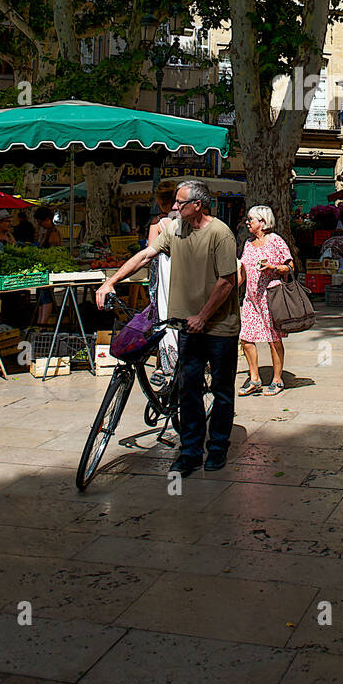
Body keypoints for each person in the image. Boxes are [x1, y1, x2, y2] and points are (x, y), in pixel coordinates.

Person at [96, 180, 240, 477]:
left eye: (180, 202)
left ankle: (217, 448)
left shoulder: (220, 234)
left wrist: (202, 315)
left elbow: (227, 281)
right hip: (187, 325)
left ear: (197, 205)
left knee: (222, 390)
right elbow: (146, 255)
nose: (175, 207)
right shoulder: (174, 230)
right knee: (188, 389)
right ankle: (189, 451)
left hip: (219, 327)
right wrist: (112, 280)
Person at [237, 205, 294, 397]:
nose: (247, 222)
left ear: (262, 222)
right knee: (246, 338)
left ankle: (277, 380)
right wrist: (230, 289)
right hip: (251, 298)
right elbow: (243, 271)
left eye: (250, 219)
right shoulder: (248, 243)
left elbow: (290, 266)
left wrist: (273, 267)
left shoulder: (276, 240)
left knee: (273, 338)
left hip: (270, 296)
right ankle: (254, 379)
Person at [147, 179, 180, 387]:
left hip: (163, 273)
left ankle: (164, 362)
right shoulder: (186, 222)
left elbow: (150, 250)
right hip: (183, 274)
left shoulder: (158, 223)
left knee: (161, 314)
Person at [33, 206, 62, 327]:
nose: (40, 225)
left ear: (46, 219)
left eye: (40, 222)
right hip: (44, 267)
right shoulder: (47, 232)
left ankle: (42, 324)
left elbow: (54, 251)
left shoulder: (54, 233)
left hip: (49, 269)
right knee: (41, 294)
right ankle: (40, 323)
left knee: (46, 295)